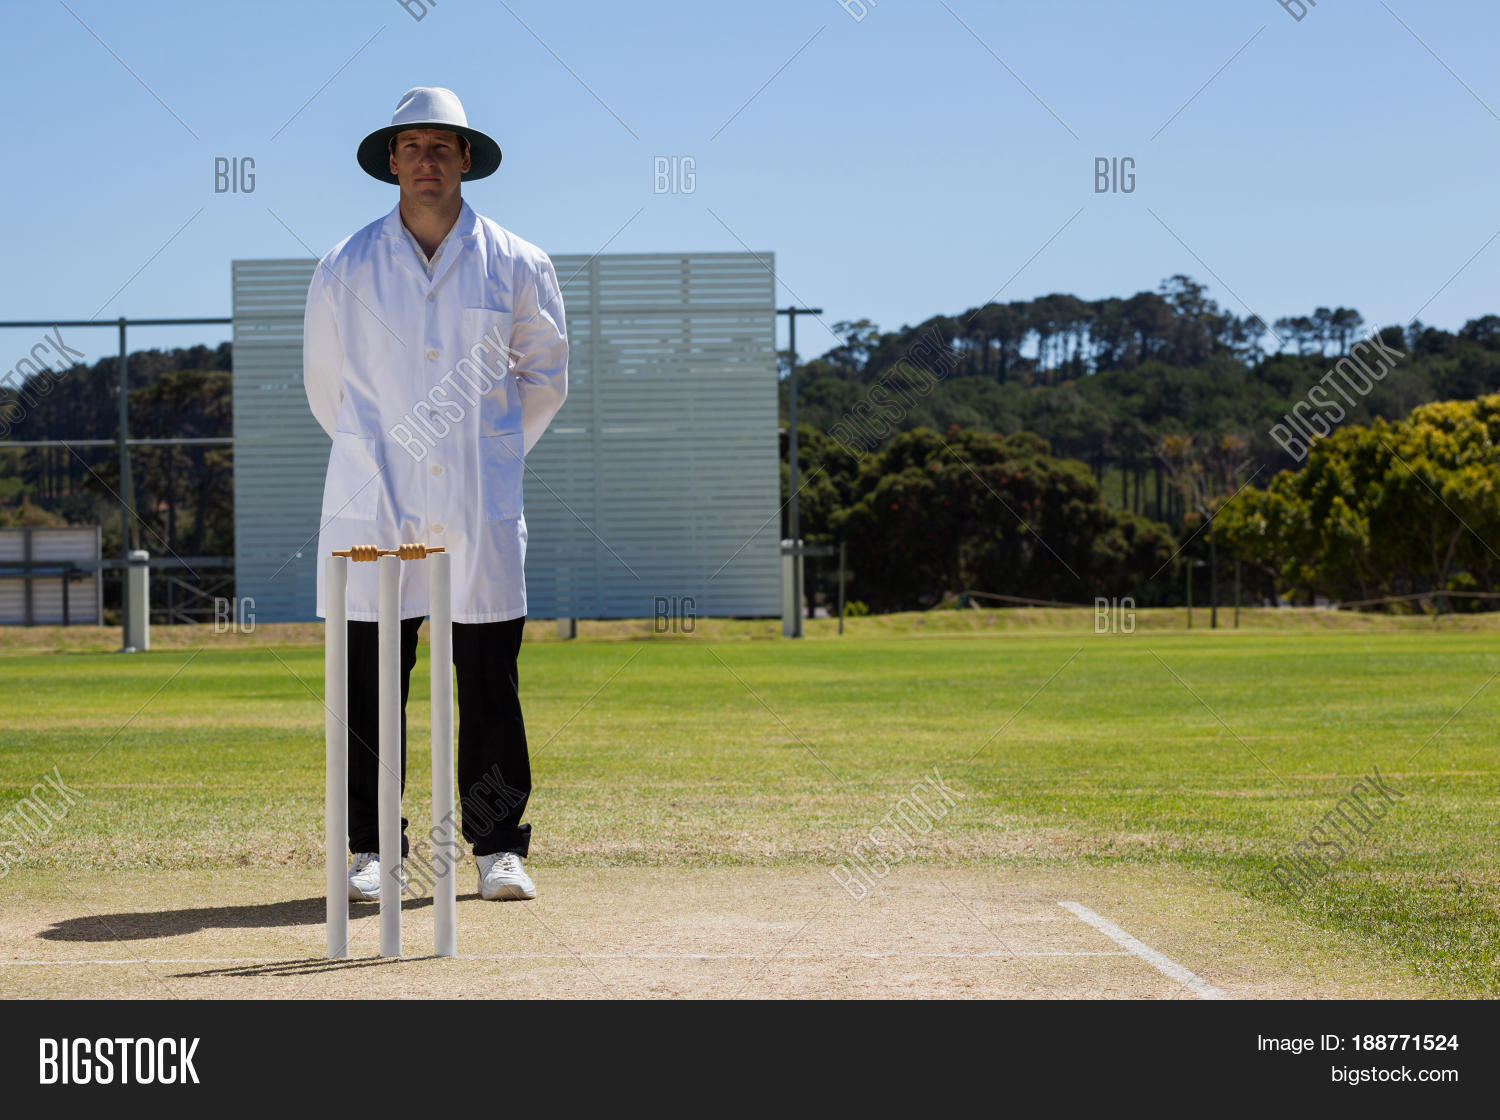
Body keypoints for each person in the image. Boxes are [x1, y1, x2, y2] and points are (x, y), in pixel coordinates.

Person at [304, 87, 568, 903]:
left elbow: (545, 379)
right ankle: (371, 850)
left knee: (488, 679)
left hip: (476, 503)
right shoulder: (345, 265)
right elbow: (325, 385)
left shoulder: (517, 261)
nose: (427, 160)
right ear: (391, 160)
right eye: (412, 146)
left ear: (465, 160)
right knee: (370, 685)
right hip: (373, 497)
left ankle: (497, 850)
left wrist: (489, 456)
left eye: (442, 147)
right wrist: (380, 456)